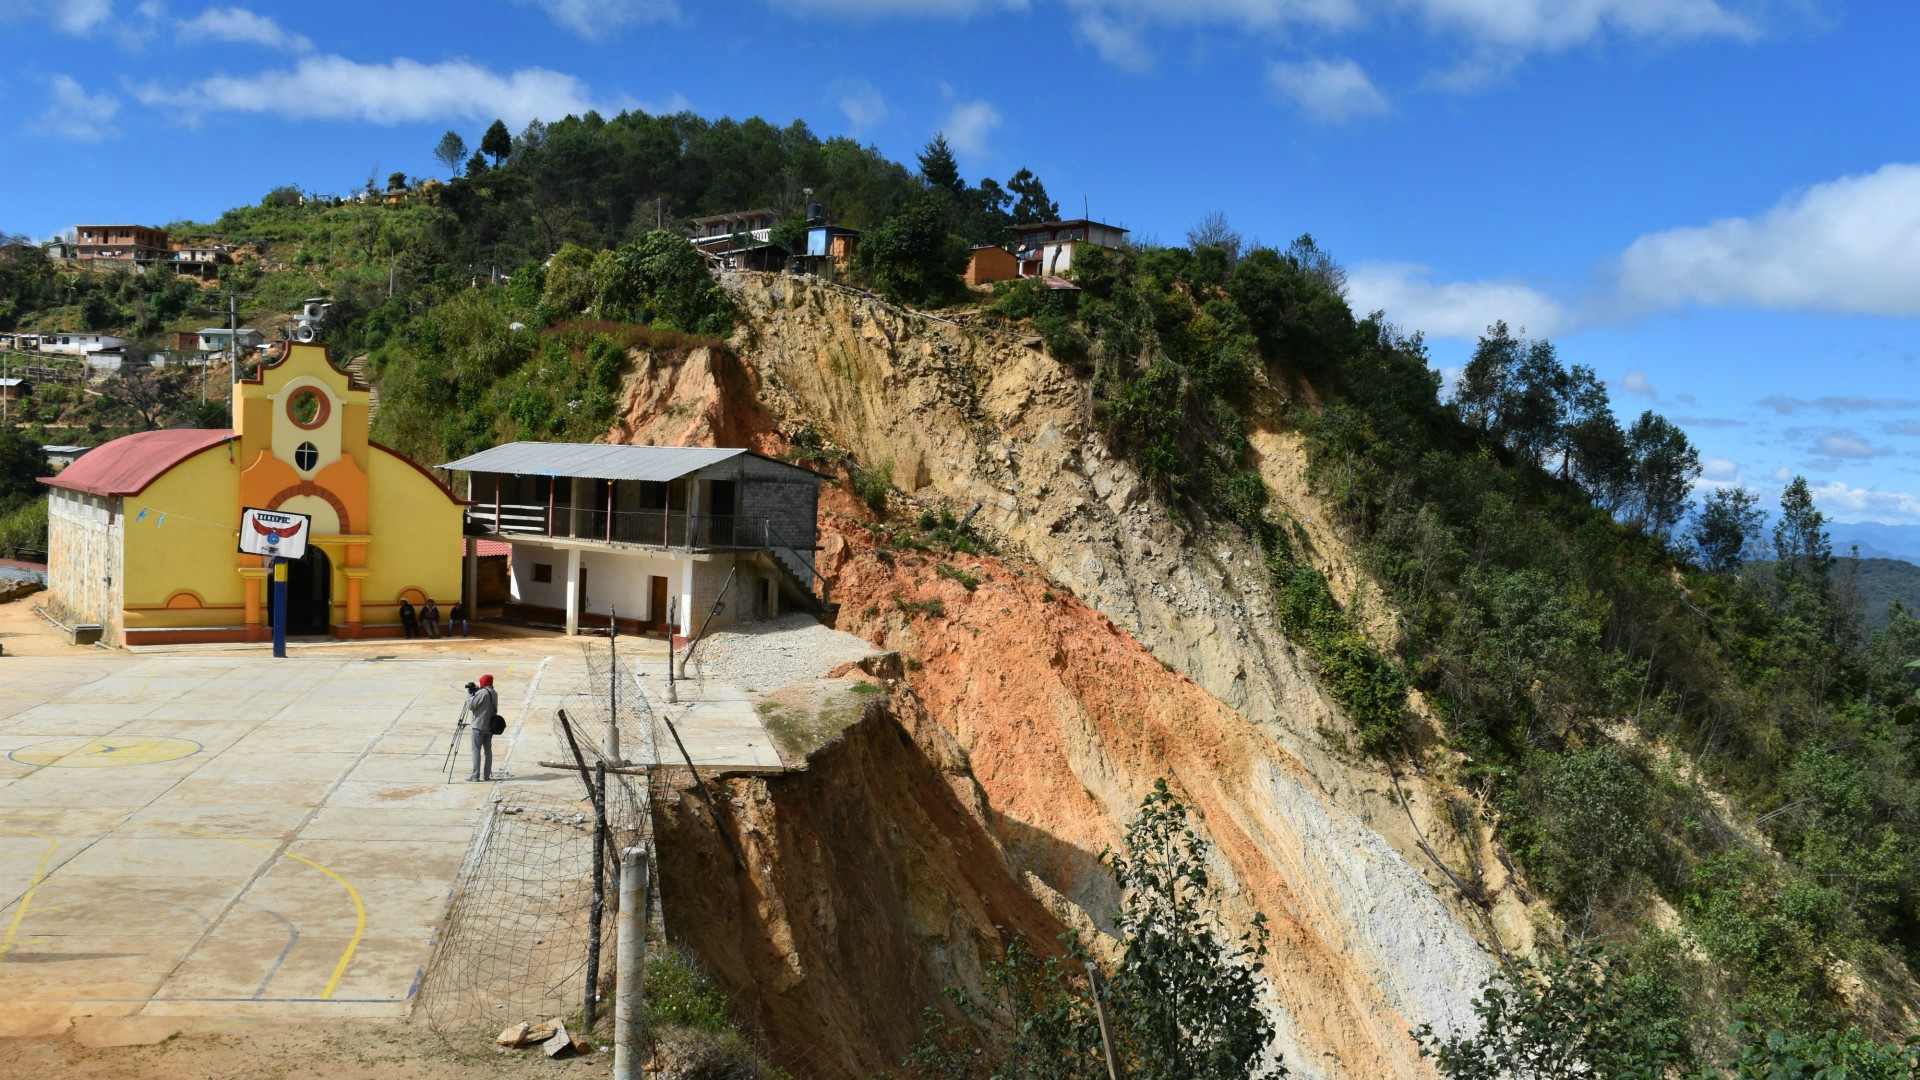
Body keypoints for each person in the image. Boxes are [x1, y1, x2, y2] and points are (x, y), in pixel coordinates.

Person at [465, 673, 499, 782]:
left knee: (476, 751)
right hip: (490, 727)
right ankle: (486, 774)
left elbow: (471, 705)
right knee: (488, 751)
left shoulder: (482, 692)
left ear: (483, 682)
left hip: (479, 726)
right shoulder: (494, 693)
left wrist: (470, 694)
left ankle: (475, 776)